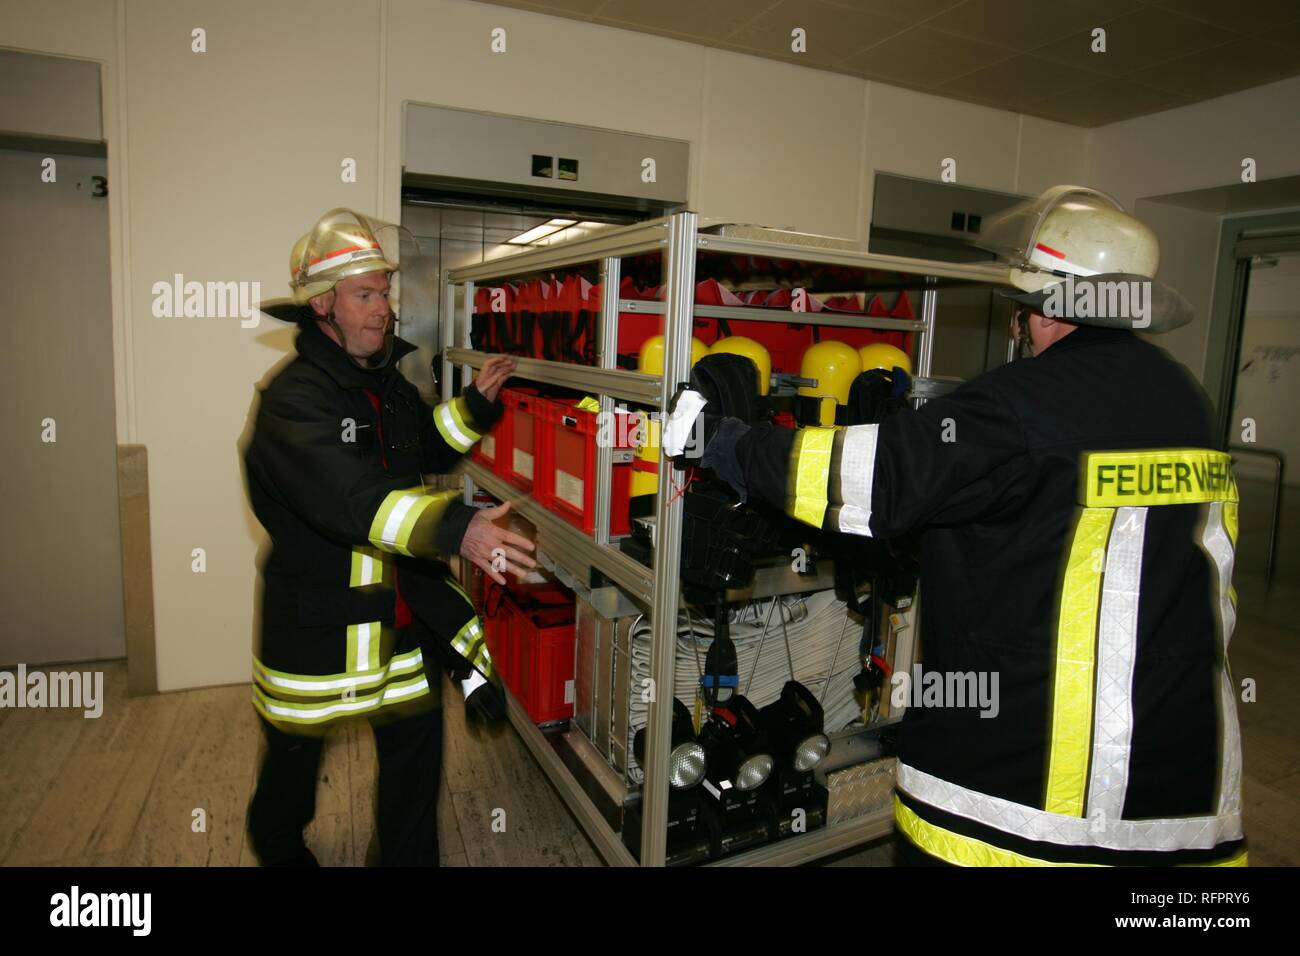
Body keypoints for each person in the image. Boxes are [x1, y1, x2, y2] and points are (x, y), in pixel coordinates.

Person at [665, 187, 1246, 866]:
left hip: (1028, 795)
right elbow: (1063, 518)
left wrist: (724, 441)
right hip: (1178, 777)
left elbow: (866, 476)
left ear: (1041, 309)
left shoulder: (1023, 404)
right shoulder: (1186, 398)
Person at [243, 208, 535, 866]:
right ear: (323, 305)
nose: (384, 309)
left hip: (400, 626)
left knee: (414, 773)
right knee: (292, 775)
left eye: (386, 293)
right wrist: (457, 528)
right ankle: (279, 851)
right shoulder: (293, 402)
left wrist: (478, 406)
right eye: (366, 294)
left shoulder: (385, 385)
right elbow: (353, 498)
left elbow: (421, 445)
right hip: (317, 630)